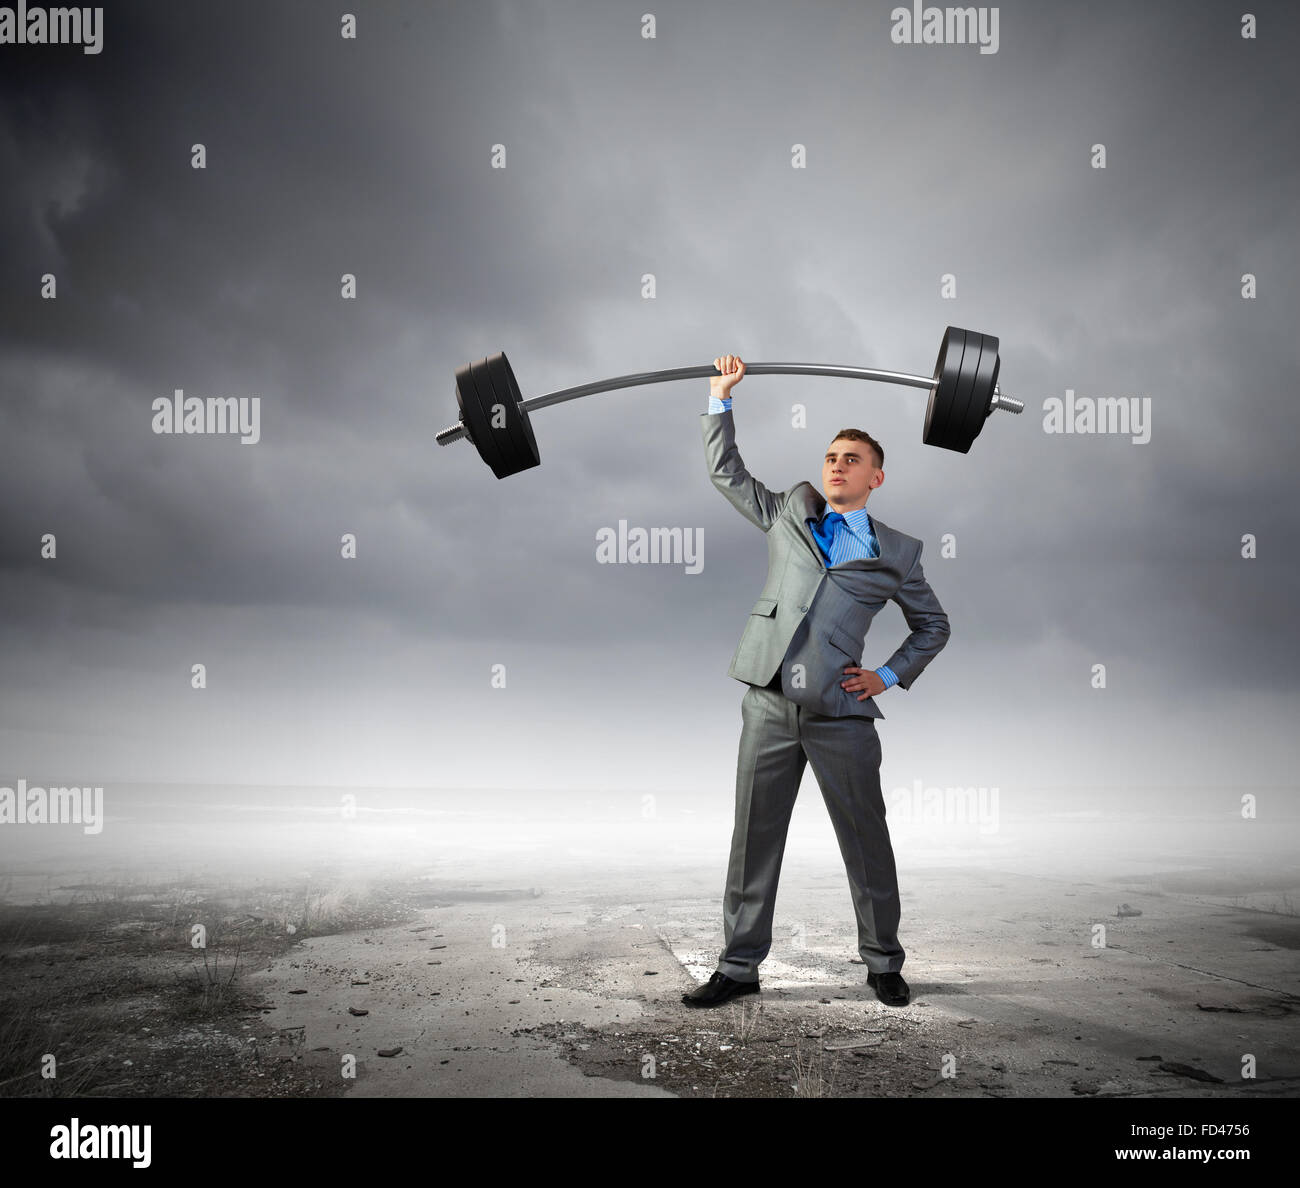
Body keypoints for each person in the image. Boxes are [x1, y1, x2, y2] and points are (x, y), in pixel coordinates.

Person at [682, 354, 950, 1009]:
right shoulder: (787, 511)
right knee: (753, 841)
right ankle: (738, 968)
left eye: (851, 458)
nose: (837, 464)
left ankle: (884, 963)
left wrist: (886, 675)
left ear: (876, 476)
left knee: (866, 841)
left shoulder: (899, 552)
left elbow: (933, 626)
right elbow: (726, 471)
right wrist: (721, 398)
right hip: (769, 705)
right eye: (831, 455)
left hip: (840, 714)